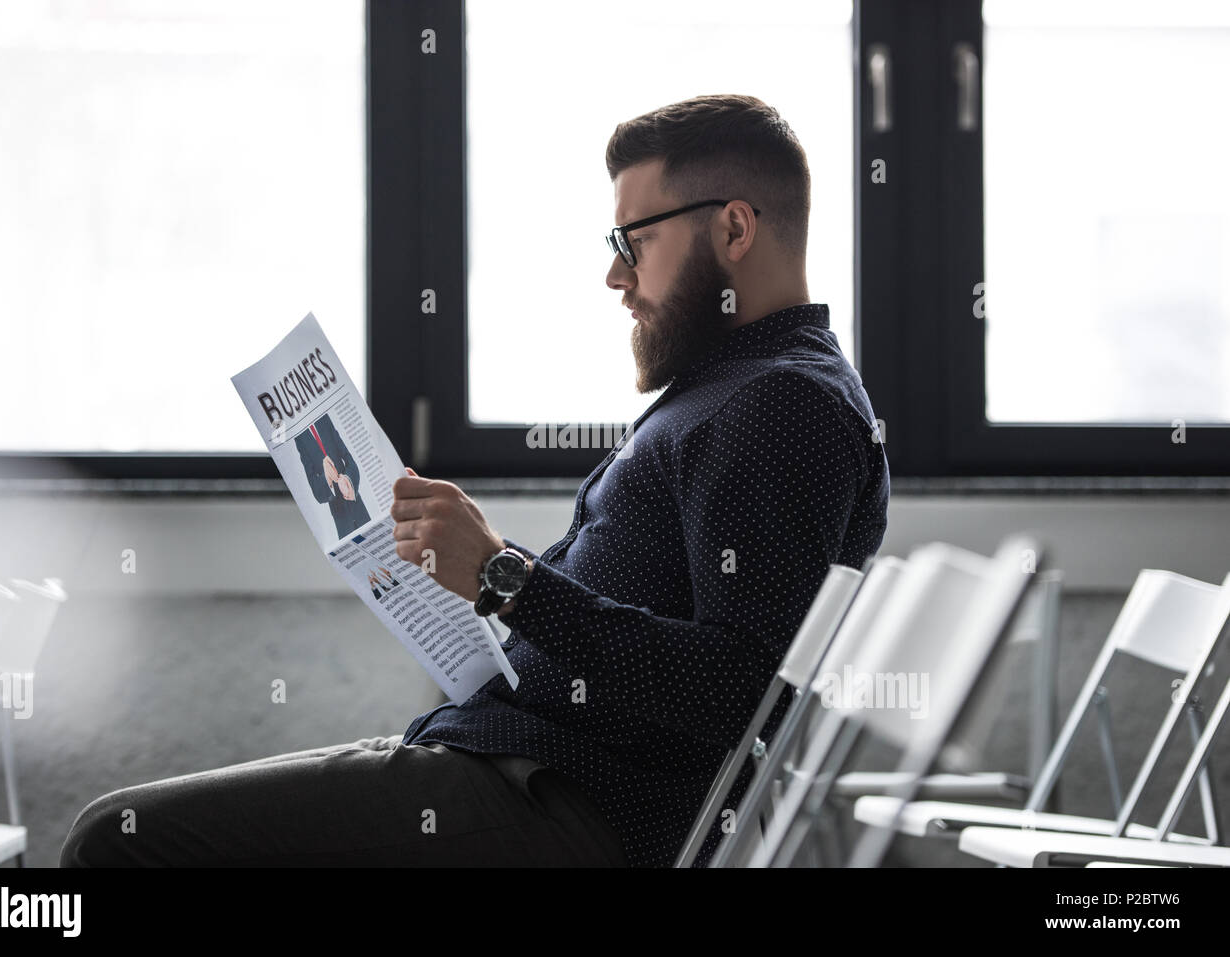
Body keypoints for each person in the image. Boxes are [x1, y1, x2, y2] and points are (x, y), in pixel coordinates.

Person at [59, 93, 889, 869]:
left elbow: (737, 691)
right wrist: (481, 574)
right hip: (521, 774)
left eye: (634, 242)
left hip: (570, 804)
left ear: (736, 229)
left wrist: (506, 578)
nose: (615, 277)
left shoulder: (782, 405)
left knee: (119, 841)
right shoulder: (731, 389)